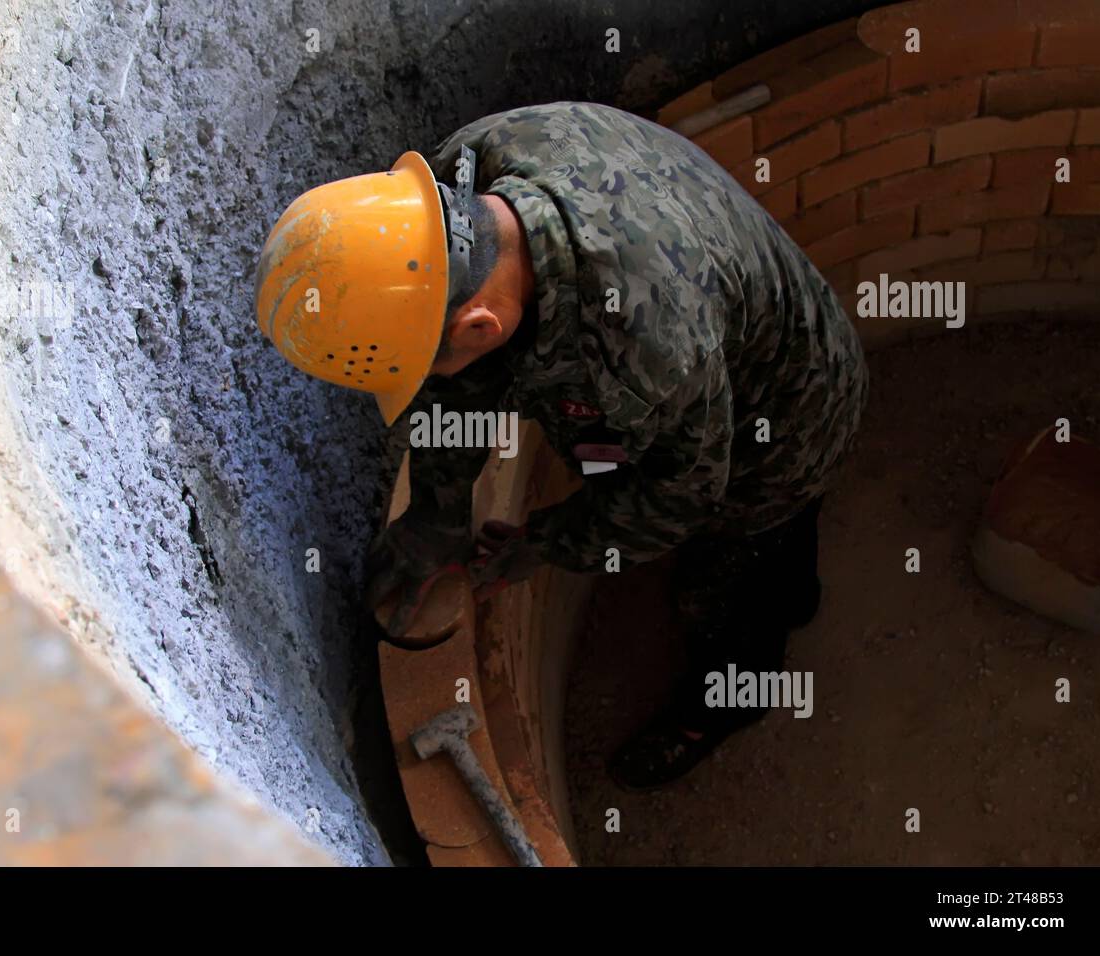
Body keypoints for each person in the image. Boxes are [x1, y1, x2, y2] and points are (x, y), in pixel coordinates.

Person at [255, 101, 868, 789]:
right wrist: (438, 513)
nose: (434, 381)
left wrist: (543, 542)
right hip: (748, 340)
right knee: (773, 555)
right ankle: (796, 591)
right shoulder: (463, 185)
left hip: (788, 422)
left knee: (725, 578)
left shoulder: (642, 342)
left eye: (431, 363)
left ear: (483, 326)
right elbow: (462, 380)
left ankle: (725, 701)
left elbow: (681, 496)